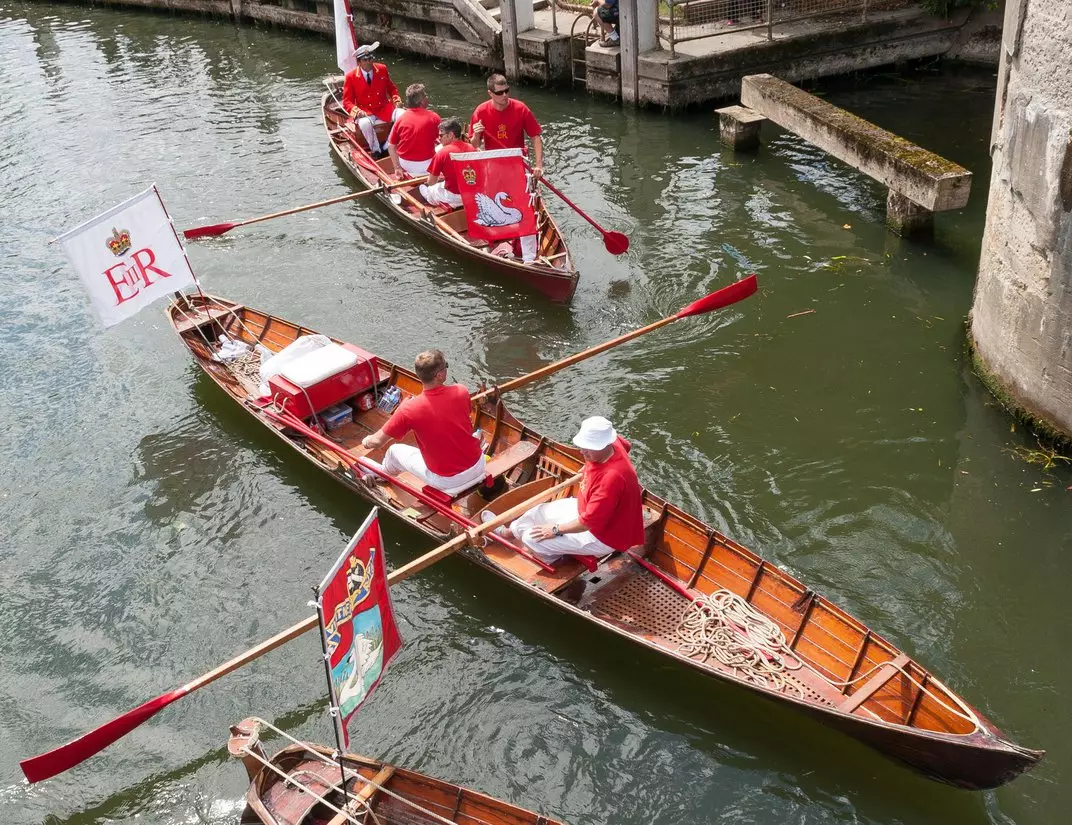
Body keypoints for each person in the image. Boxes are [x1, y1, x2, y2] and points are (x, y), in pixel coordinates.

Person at [499, 416, 644, 565]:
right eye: (582, 446)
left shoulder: (611, 479)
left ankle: (552, 558)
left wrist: (555, 530)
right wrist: (588, 465)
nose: (582, 452)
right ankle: (509, 533)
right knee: (537, 512)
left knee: (531, 539)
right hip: (584, 509)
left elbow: (588, 523)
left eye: (587, 449)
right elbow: (627, 445)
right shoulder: (613, 443)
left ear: (603, 446)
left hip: (602, 536)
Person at [360, 349, 486, 495]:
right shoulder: (461, 391)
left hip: (447, 480)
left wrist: (366, 441)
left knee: (393, 451)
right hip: (478, 464)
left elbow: (377, 442)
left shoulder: (408, 409)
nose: (446, 368)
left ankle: (383, 473)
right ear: (439, 375)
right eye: (446, 366)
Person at [468, 73, 543, 262]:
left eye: (507, 91)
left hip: (518, 165)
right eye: (499, 93)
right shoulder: (480, 111)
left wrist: (538, 165)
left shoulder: (521, 108)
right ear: (490, 93)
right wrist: (476, 135)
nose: (504, 96)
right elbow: (474, 146)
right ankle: (497, 245)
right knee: (492, 208)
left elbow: (536, 136)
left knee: (524, 209)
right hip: (493, 167)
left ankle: (529, 257)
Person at [341, 42, 404, 157]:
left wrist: (397, 101)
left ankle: (387, 145)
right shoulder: (351, 76)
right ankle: (376, 149)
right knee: (365, 124)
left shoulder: (382, 69)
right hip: (365, 111)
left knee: (403, 115)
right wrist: (357, 111)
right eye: (365, 59)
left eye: (370, 58)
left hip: (383, 108)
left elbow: (392, 89)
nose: (369, 62)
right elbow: (347, 101)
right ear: (359, 62)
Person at [386, 83, 441, 178]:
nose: (427, 97)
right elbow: (444, 140)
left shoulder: (401, 119)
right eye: (425, 95)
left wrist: (397, 167)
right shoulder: (434, 117)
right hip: (427, 165)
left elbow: (391, 147)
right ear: (422, 101)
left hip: (405, 164)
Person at [419, 118, 476, 209]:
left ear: (450, 135)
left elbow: (431, 182)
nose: (439, 138)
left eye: (441, 136)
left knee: (430, 189)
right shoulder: (473, 148)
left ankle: (429, 197)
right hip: (472, 194)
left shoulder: (442, 153)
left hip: (455, 197)